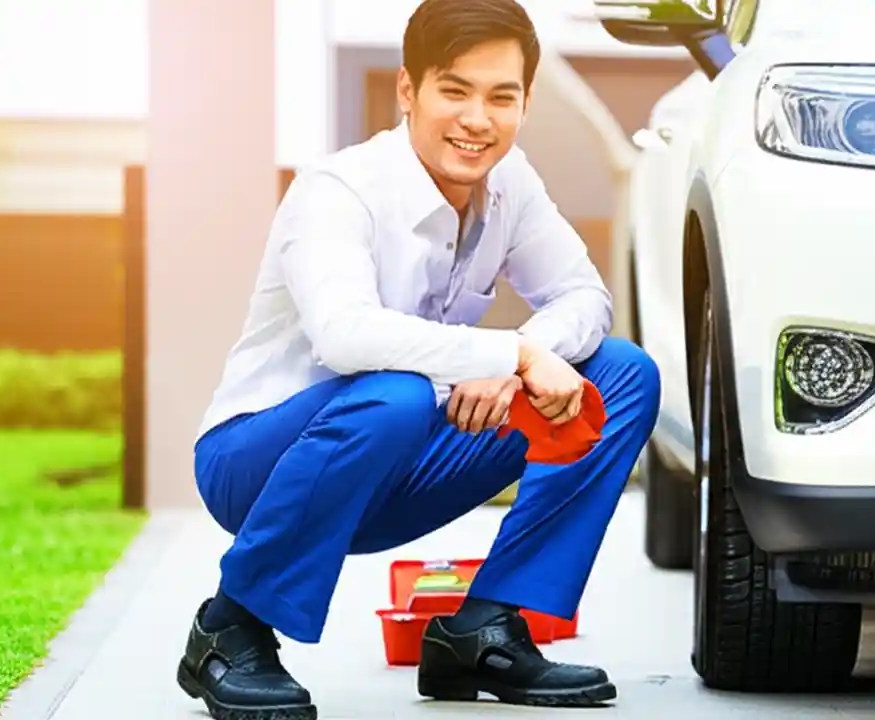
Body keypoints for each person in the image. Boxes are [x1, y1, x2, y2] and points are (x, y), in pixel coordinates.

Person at [175, 0, 661, 717]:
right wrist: (512, 351)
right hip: (257, 462)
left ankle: (484, 630)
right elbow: (346, 336)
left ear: (525, 103)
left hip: (403, 454)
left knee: (621, 375)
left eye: (502, 97)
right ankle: (230, 628)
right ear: (409, 90)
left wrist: (521, 363)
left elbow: (584, 296)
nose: (477, 119)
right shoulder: (339, 190)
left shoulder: (511, 184)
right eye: (455, 91)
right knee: (397, 393)